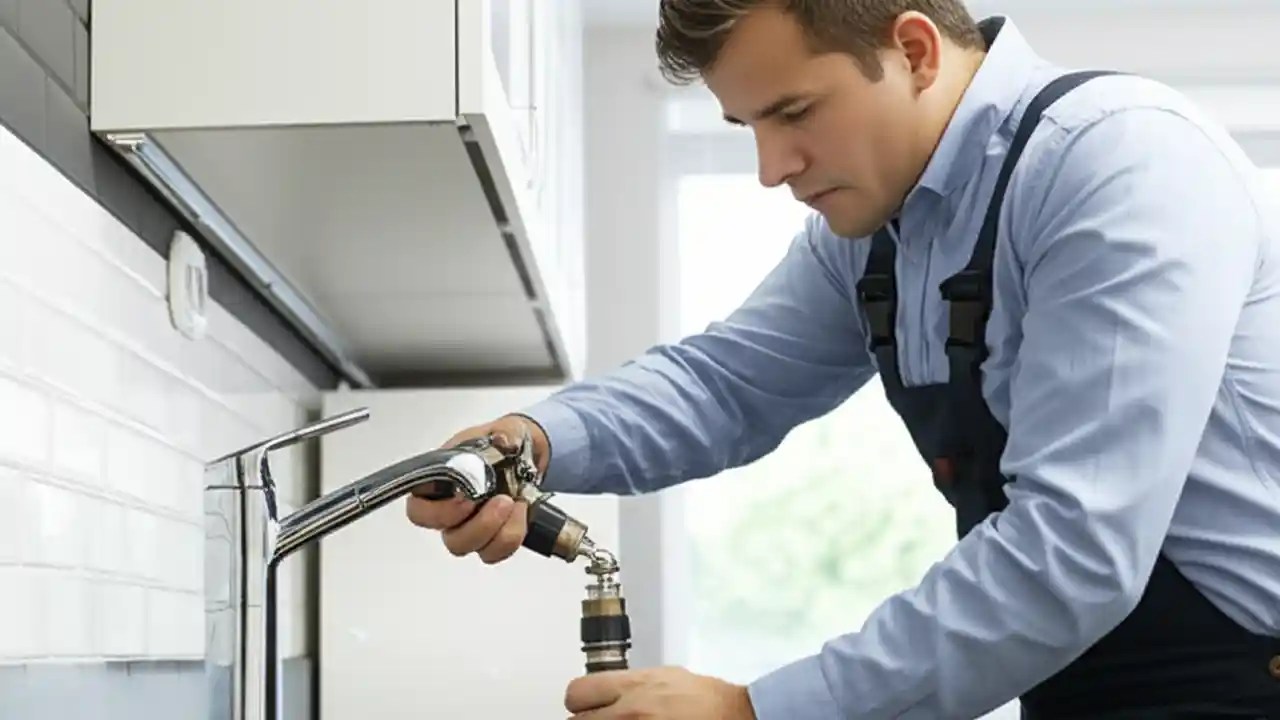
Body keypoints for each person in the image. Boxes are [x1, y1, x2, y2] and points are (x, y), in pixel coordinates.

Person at [407, 1, 1280, 718]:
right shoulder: (873, 238)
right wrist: (530, 441)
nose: (771, 167)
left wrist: (756, 710)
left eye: (793, 113)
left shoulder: (1116, 163)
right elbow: (723, 385)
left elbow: (1075, 550)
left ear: (913, 51)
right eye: (746, 125)